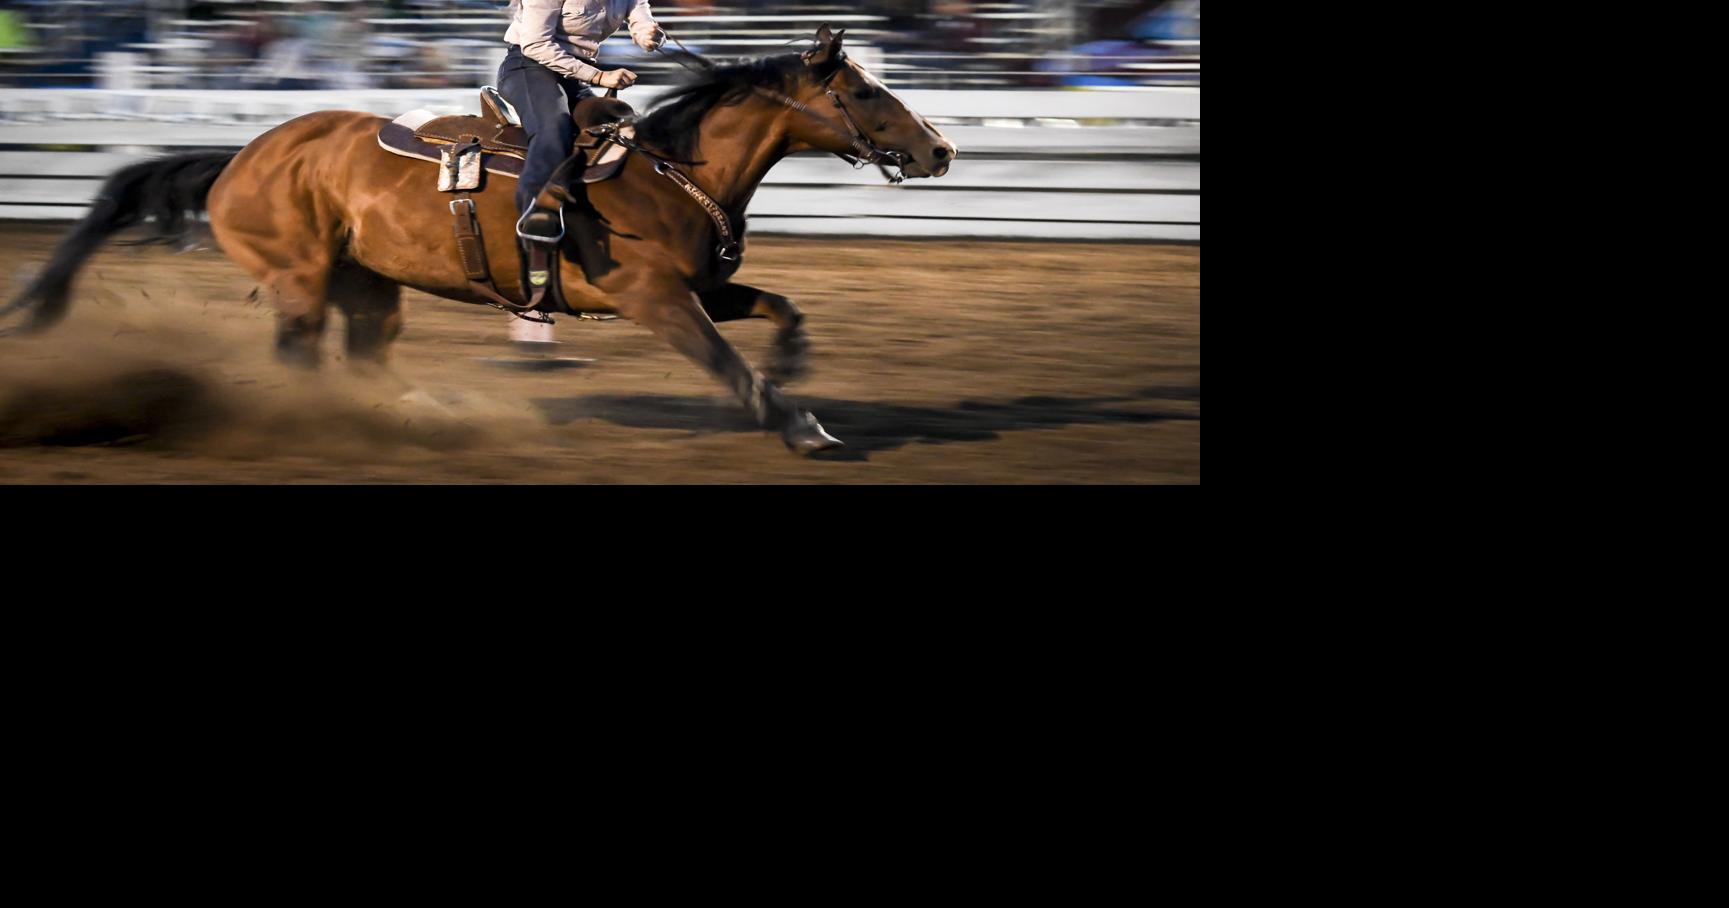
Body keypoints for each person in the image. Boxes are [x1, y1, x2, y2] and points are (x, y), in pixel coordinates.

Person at [500, 0, 663, 245]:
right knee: (554, 128)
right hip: (528, 67)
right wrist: (598, 76)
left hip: (574, 74)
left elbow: (639, 13)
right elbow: (535, 45)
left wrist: (647, 34)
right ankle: (535, 217)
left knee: (617, 128)